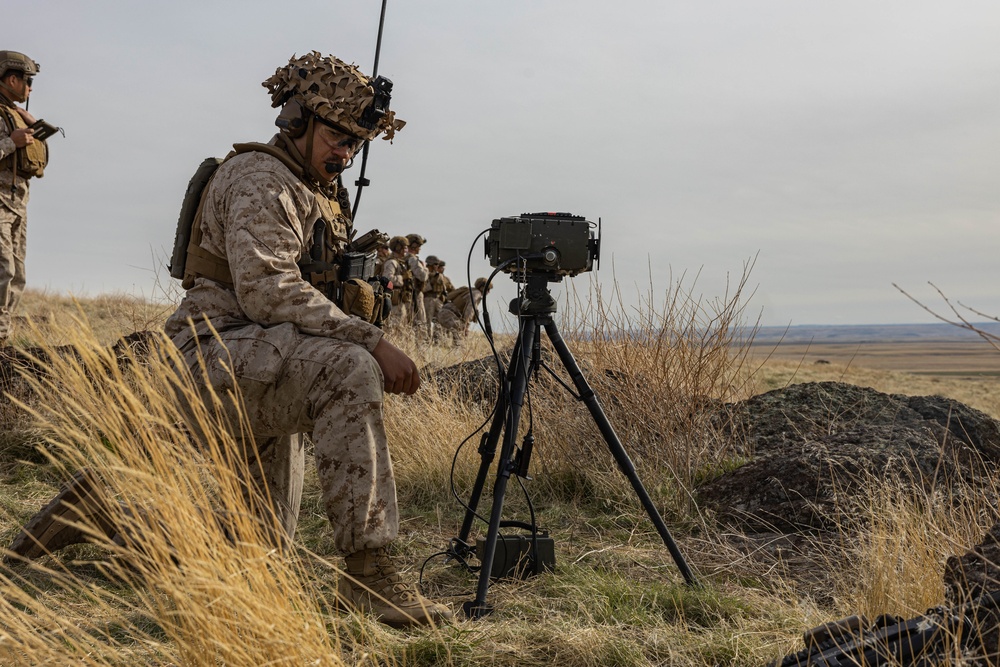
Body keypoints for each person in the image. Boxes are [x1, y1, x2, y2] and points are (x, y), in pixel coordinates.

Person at [8, 51, 451, 628]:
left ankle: (112, 516)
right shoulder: (259, 179)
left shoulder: (310, 189)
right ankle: (369, 579)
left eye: (354, 143)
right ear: (297, 120)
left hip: (262, 360)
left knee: (260, 562)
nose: (345, 152)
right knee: (349, 370)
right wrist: (372, 340)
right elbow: (268, 289)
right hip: (215, 354)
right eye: (336, 136)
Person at [0, 51, 44, 344]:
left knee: (17, 276)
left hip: (17, 204)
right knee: (4, 270)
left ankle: (4, 340)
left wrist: (35, 126)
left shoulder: (15, 113)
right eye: (28, 81)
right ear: (12, 79)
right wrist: (10, 142)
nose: (30, 88)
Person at [435, 277, 490, 344]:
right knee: (461, 336)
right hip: (449, 315)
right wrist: (466, 324)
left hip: (444, 313)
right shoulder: (477, 294)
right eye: (488, 289)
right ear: (482, 288)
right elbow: (470, 309)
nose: (489, 292)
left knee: (441, 339)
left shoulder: (470, 290)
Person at [380, 235, 412, 328]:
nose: (406, 250)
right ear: (398, 248)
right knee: (394, 327)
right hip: (394, 301)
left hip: (399, 300)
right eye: (405, 247)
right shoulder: (392, 262)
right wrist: (402, 277)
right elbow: (387, 278)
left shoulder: (399, 262)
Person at [421, 256, 452, 340]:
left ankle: (437, 339)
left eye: (438, 265)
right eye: (435, 264)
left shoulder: (440, 276)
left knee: (440, 319)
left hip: (438, 300)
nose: (437, 266)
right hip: (427, 299)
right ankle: (426, 339)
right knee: (427, 320)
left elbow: (445, 289)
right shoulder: (424, 273)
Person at [405, 234, 428, 332]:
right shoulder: (413, 259)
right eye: (419, 246)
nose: (420, 249)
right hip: (415, 293)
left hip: (408, 294)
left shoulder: (404, 257)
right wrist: (425, 268)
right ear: (414, 246)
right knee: (419, 321)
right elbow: (422, 276)